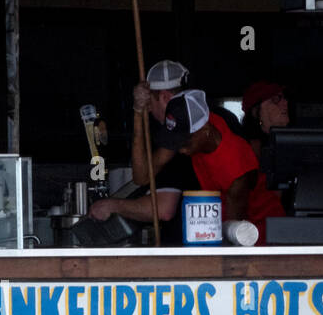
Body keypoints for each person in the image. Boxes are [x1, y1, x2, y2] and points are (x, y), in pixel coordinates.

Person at [89, 65, 199, 242]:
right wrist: (138, 112)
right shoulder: (171, 134)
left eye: (149, 103)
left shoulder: (181, 134)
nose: (148, 109)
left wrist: (113, 206)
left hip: (194, 244)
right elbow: (141, 177)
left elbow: (164, 209)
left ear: (164, 97)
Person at [155, 88, 284, 234]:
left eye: (186, 142)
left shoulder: (235, 171)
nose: (181, 150)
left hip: (259, 234)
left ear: (205, 130)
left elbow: (236, 233)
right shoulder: (207, 121)